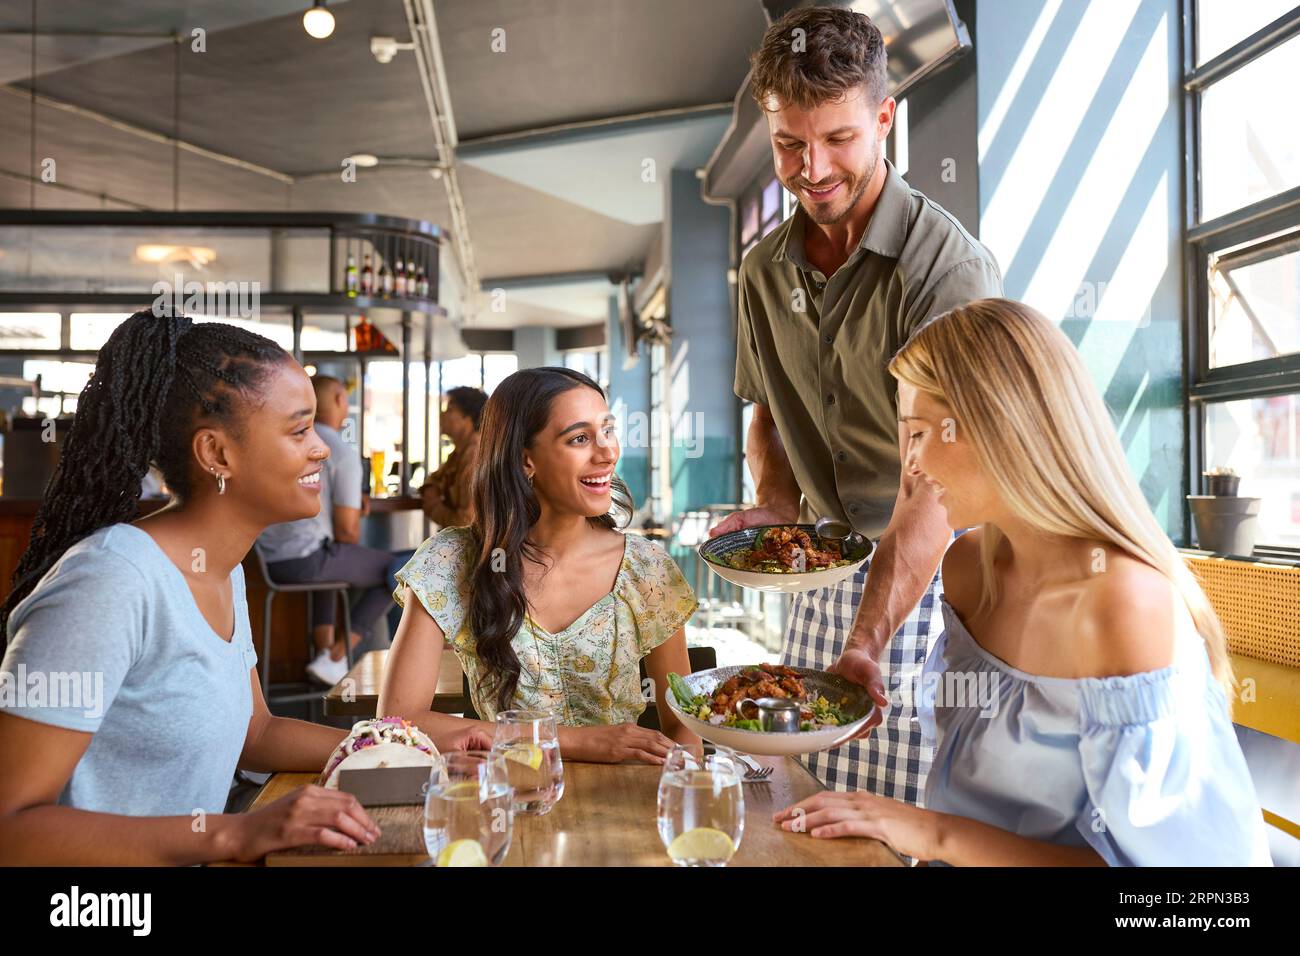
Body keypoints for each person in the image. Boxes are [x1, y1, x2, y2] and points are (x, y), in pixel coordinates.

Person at [775, 300, 1272, 865]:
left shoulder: (1124, 605)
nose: (909, 465)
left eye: (918, 432)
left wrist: (930, 835)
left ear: (999, 425)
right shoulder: (967, 569)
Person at [0, 310, 484, 865]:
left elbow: (255, 731)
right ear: (217, 454)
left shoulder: (223, 566)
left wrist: (406, 751)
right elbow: (11, 827)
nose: (322, 448)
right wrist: (235, 834)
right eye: (299, 429)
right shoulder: (110, 583)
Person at [709, 6, 1002, 801]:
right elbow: (768, 407)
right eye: (789, 145)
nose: (813, 170)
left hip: (939, 569)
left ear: (883, 119)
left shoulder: (945, 270)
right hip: (826, 563)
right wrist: (775, 506)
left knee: (913, 810)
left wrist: (868, 640)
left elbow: (935, 484)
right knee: (812, 793)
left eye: (838, 139)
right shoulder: (765, 270)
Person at [380, 367, 701, 763]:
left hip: (629, 804)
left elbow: (685, 726)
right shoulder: (449, 563)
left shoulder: (646, 569)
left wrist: (687, 795)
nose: (607, 453)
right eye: (580, 438)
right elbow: (398, 724)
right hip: (509, 799)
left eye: (608, 431)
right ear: (525, 459)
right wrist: (577, 741)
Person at [258, 374, 397, 686]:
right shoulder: (338, 450)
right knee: (403, 570)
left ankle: (323, 657)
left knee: (332, 558)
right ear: (338, 400)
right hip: (306, 561)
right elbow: (348, 534)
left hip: (266, 563)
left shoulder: (282, 442)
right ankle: (337, 655)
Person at [420, 385, 486, 528]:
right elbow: (433, 479)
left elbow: (467, 524)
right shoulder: (458, 454)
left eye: (449, 410)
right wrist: (430, 489)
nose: (442, 415)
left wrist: (433, 506)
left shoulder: (474, 456)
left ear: (467, 418)